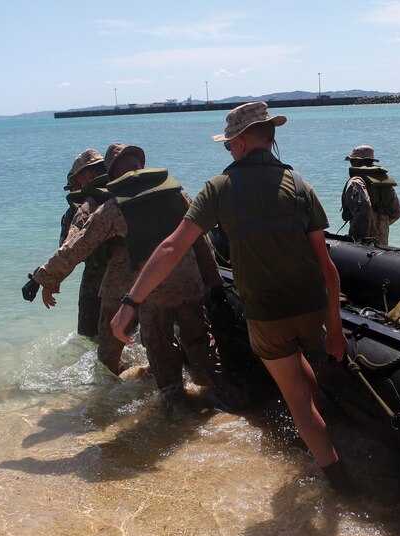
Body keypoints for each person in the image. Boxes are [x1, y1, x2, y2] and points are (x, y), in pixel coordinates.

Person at [110, 102, 355, 493]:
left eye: (228, 146)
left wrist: (130, 303)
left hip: (268, 315)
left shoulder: (219, 189)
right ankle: (326, 428)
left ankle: (341, 487)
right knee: (298, 370)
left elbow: (173, 248)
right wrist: (336, 329)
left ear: (240, 144)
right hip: (311, 308)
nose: (228, 152)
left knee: (299, 405)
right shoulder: (300, 185)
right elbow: (327, 265)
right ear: (268, 139)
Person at [31, 142, 225, 401]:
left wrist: (44, 278)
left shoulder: (114, 206)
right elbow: (200, 237)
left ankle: (175, 413)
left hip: (151, 292)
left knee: (161, 355)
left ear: (112, 176)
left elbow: (78, 246)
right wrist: (212, 281)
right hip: (189, 285)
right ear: (141, 167)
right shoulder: (174, 191)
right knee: (201, 345)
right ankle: (219, 398)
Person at [59, 149, 110, 339]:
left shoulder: (78, 211)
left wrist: (49, 281)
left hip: (96, 282)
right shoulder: (125, 195)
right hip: (138, 279)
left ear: (85, 177)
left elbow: (67, 252)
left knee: (91, 337)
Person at [341, 145, 400, 244]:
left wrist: (359, 241)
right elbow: (398, 211)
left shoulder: (355, 182)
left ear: (357, 161)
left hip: (363, 241)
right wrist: (383, 222)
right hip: (382, 238)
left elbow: (363, 210)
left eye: (352, 160)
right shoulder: (383, 181)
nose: (351, 163)